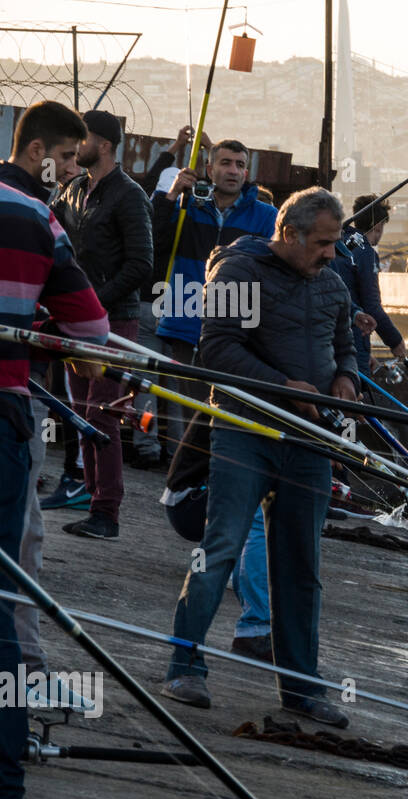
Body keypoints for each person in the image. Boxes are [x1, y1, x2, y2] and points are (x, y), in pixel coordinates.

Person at [161, 187, 360, 725]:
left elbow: (346, 344)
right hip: (244, 431)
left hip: (309, 439)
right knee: (221, 546)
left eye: (335, 243)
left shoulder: (333, 285)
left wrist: (345, 377)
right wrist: (283, 385)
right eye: (321, 243)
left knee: (301, 564)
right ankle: (185, 666)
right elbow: (218, 349)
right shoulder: (238, 273)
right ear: (288, 233)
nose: (330, 254)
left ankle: (301, 689)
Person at [0, 100, 111, 799]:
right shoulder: (38, 220)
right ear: (39, 150)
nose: (72, 173)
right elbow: (93, 330)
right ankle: (4, 787)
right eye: (68, 161)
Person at [50, 110, 153, 540]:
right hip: (78, 319)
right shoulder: (75, 190)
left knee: (103, 412)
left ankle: (106, 512)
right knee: (81, 412)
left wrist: (92, 303)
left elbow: (142, 264)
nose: (76, 146)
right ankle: (92, 500)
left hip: (115, 320)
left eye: (83, 138)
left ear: (105, 145)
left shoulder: (128, 195)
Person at [151, 138, 277, 446]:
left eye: (240, 165)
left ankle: (212, 473)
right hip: (186, 319)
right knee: (190, 409)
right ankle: (187, 479)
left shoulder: (266, 216)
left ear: (247, 173)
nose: (233, 171)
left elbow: (276, 271)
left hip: (236, 329)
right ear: (209, 168)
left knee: (226, 408)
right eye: (225, 163)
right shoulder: (185, 204)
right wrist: (170, 196)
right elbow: (152, 241)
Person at [132, 125, 211, 471]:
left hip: (148, 304)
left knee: (145, 389)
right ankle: (180, 452)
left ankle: (146, 446)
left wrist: (178, 145)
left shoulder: (149, 214)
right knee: (179, 390)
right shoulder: (192, 216)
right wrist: (204, 150)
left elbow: (147, 182)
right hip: (179, 307)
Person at [329, 194, 406, 377]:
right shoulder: (365, 252)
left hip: (327, 338)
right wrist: (395, 341)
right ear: (378, 226)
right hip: (353, 337)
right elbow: (372, 306)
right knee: (355, 392)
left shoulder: (338, 243)